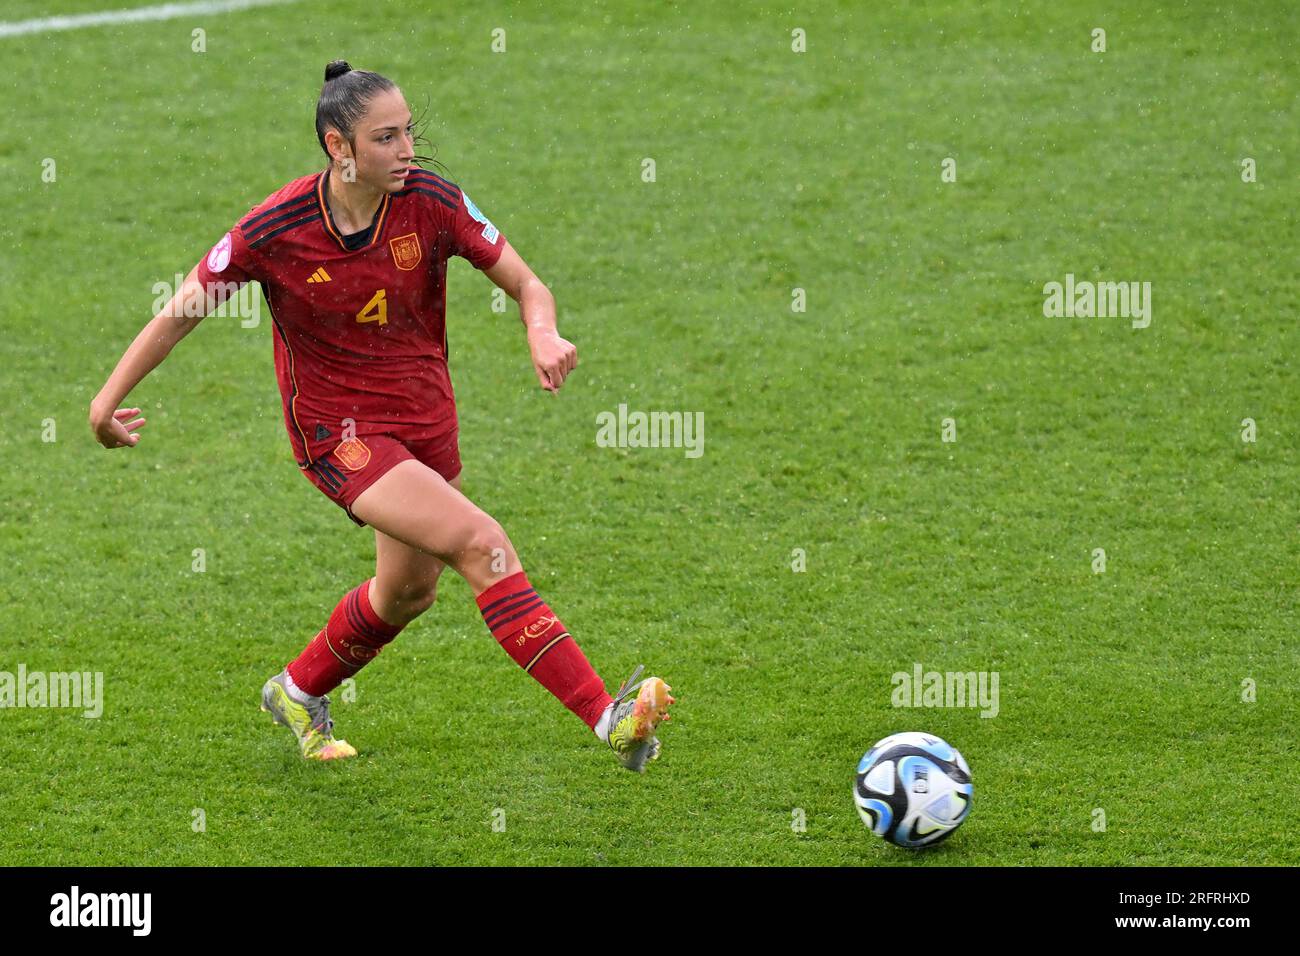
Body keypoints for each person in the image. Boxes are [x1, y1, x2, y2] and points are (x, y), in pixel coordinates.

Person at [88, 60, 674, 771]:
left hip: (427, 423)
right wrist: (105, 400)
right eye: (387, 138)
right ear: (341, 149)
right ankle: (607, 718)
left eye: (409, 133)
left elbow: (526, 282)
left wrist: (540, 331)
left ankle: (298, 691)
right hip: (342, 436)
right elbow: (182, 312)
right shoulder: (273, 229)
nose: (407, 151)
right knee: (482, 543)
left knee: (406, 592)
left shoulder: (431, 199)